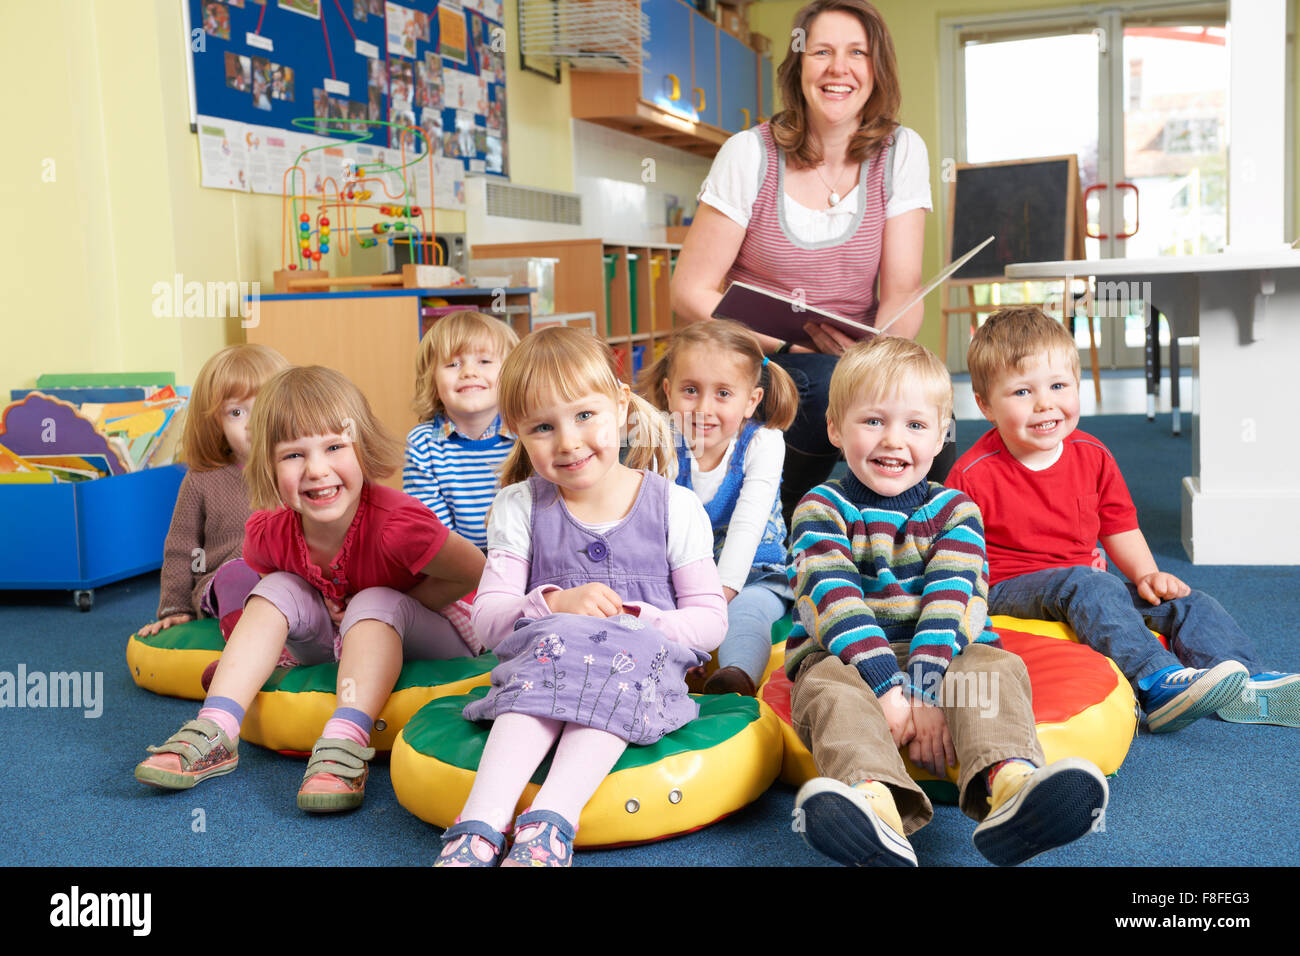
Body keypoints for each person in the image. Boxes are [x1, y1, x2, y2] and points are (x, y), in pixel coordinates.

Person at [786, 335, 1108, 866]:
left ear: (941, 437)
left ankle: (1011, 787)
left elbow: (952, 601)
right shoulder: (820, 506)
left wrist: (926, 691)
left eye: (914, 425)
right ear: (835, 430)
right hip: (850, 657)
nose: (893, 441)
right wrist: (891, 689)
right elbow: (834, 601)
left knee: (994, 669)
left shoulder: (956, 509)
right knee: (828, 689)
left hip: (945, 652)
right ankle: (874, 806)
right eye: (873, 422)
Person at [434, 327, 727, 867]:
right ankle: (478, 823)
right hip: (543, 669)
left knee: (619, 655)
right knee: (553, 652)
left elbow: (711, 621)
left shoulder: (675, 506)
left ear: (620, 406)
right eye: (543, 427)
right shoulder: (518, 506)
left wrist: (637, 619)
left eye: (584, 416)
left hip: (642, 672)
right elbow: (489, 622)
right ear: (516, 433)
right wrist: (554, 603)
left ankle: (550, 823)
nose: (567, 442)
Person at [134, 366, 485, 811]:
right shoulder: (266, 531)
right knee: (276, 586)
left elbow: (475, 570)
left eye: (335, 447)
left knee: (374, 600)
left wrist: (394, 605)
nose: (317, 470)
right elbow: (281, 597)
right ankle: (217, 727)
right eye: (293, 455)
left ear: (362, 448)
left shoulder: (397, 524)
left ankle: (346, 741)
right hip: (341, 638)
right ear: (267, 465)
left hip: (427, 635)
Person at [946, 306, 1299, 730]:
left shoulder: (1092, 455)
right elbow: (953, 554)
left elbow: (1119, 526)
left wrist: (1149, 575)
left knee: (1187, 602)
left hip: (1086, 585)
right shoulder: (972, 473)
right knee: (1087, 582)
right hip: (1008, 588)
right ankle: (1157, 680)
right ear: (985, 405)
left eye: (1059, 386)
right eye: (1022, 392)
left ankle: (1242, 682)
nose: (1045, 404)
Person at [671, 0, 939, 525]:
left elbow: (903, 290)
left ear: (876, 69)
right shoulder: (749, 154)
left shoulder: (902, 151)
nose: (839, 68)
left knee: (920, 416)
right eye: (822, 52)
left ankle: (895, 543)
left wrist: (879, 356)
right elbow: (689, 292)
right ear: (798, 67)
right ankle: (792, 528)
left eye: (856, 53)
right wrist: (793, 343)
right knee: (817, 384)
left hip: (852, 356)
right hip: (761, 355)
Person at [637, 319, 799, 695]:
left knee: (748, 613)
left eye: (723, 393)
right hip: (680, 572)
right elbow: (648, 525)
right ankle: (664, 669)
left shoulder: (764, 443)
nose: (704, 408)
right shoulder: (662, 439)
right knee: (651, 608)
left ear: (751, 401)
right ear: (668, 391)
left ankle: (737, 675)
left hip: (755, 574)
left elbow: (746, 527)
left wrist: (712, 603)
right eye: (690, 390)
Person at [138, 344, 288, 643]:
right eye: (236, 412)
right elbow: (182, 548)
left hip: (288, 578)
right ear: (216, 424)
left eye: (263, 408)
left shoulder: (300, 468)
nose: (252, 424)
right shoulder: (202, 480)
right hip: (225, 583)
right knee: (239, 574)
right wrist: (174, 607)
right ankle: (244, 645)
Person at [404, 310, 519, 550]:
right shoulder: (423, 444)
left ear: (511, 375)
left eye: (484, 361)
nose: (468, 372)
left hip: (525, 556)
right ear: (432, 381)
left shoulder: (526, 434)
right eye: (453, 364)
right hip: (459, 564)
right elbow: (433, 530)